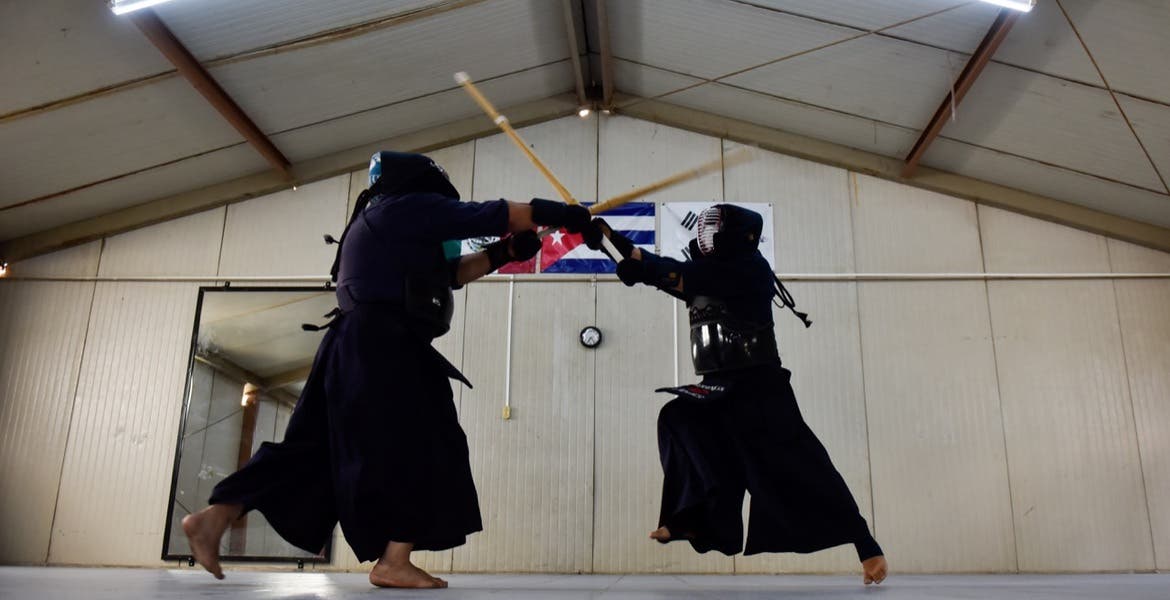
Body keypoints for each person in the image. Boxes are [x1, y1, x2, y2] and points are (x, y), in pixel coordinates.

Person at [181, 151, 591, 589]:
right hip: (384, 343)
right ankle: (394, 559)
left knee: (313, 445)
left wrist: (505, 252)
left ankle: (215, 515)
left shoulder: (384, 220)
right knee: (429, 440)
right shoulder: (407, 206)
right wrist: (561, 214)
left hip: (353, 343)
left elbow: (451, 275)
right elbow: (493, 213)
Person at [586, 205, 888, 585]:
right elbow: (660, 270)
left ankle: (867, 547)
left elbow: (670, 273)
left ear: (737, 235)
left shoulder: (748, 269)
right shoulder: (709, 274)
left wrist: (642, 270)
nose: (705, 236)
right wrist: (609, 240)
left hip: (760, 386)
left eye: (715, 229)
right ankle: (700, 521)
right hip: (719, 386)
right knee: (679, 418)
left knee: (807, 469)